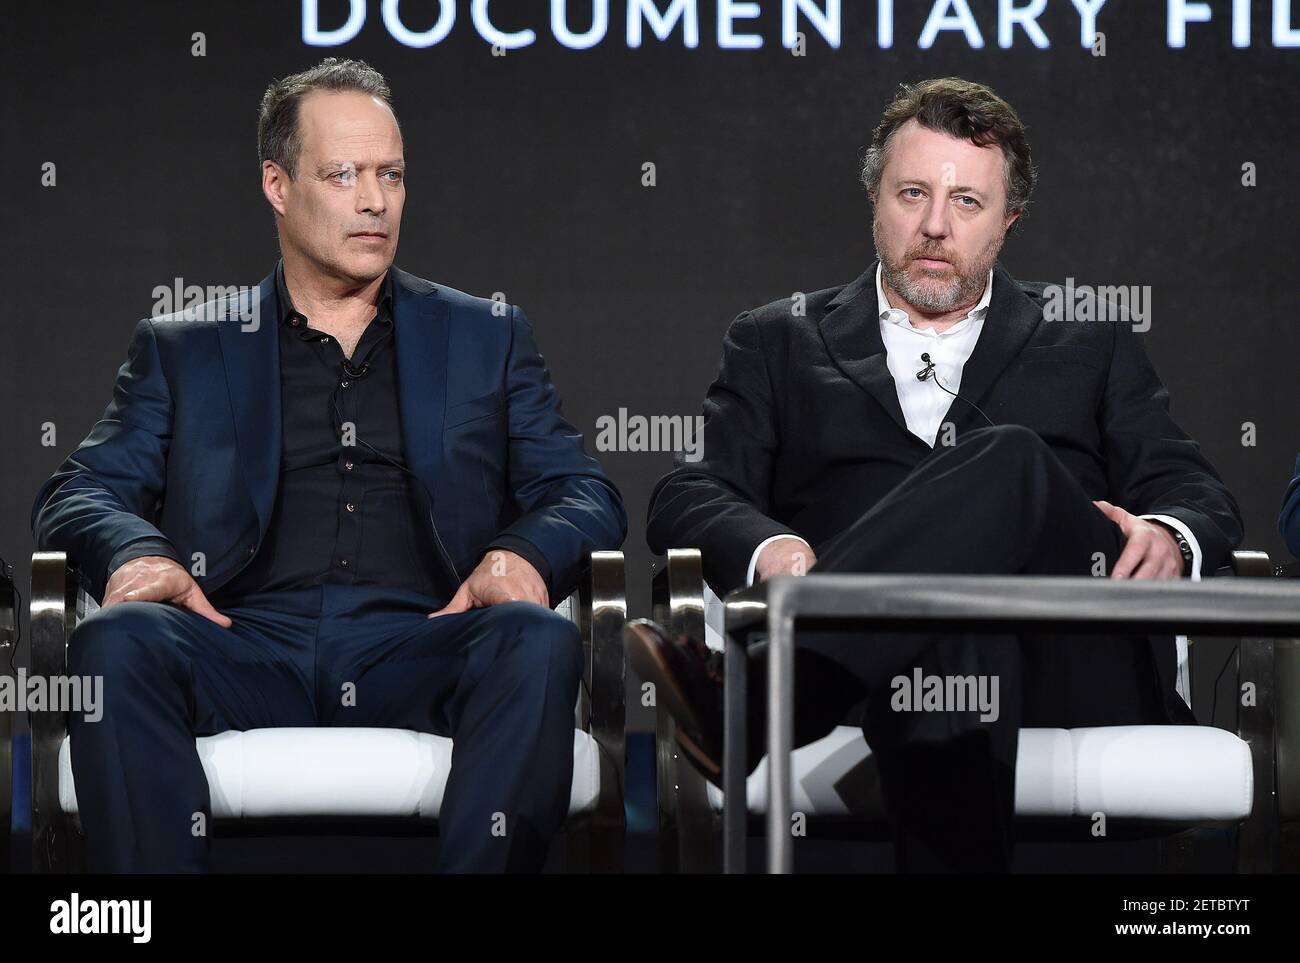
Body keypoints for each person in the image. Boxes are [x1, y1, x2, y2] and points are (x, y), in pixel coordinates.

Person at [626, 77, 1241, 872]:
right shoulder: (778, 339)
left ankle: (769, 690)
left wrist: (1168, 533)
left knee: (1012, 458)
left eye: (968, 203)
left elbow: (1200, 494)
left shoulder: (1089, 338)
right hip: (890, 662)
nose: (935, 226)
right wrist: (775, 547)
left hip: (1072, 657)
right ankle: (792, 687)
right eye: (912, 192)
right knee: (950, 629)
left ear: (1009, 220)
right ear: (875, 200)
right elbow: (688, 493)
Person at [31, 58, 626, 873]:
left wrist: (518, 555)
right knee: (119, 640)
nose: (375, 200)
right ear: (278, 185)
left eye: (391, 174)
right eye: (343, 174)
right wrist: (140, 554)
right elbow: (80, 488)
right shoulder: (186, 347)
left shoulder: (485, 335)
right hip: (240, 643)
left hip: (419, 639)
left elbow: (582, 488)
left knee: (532, 639)